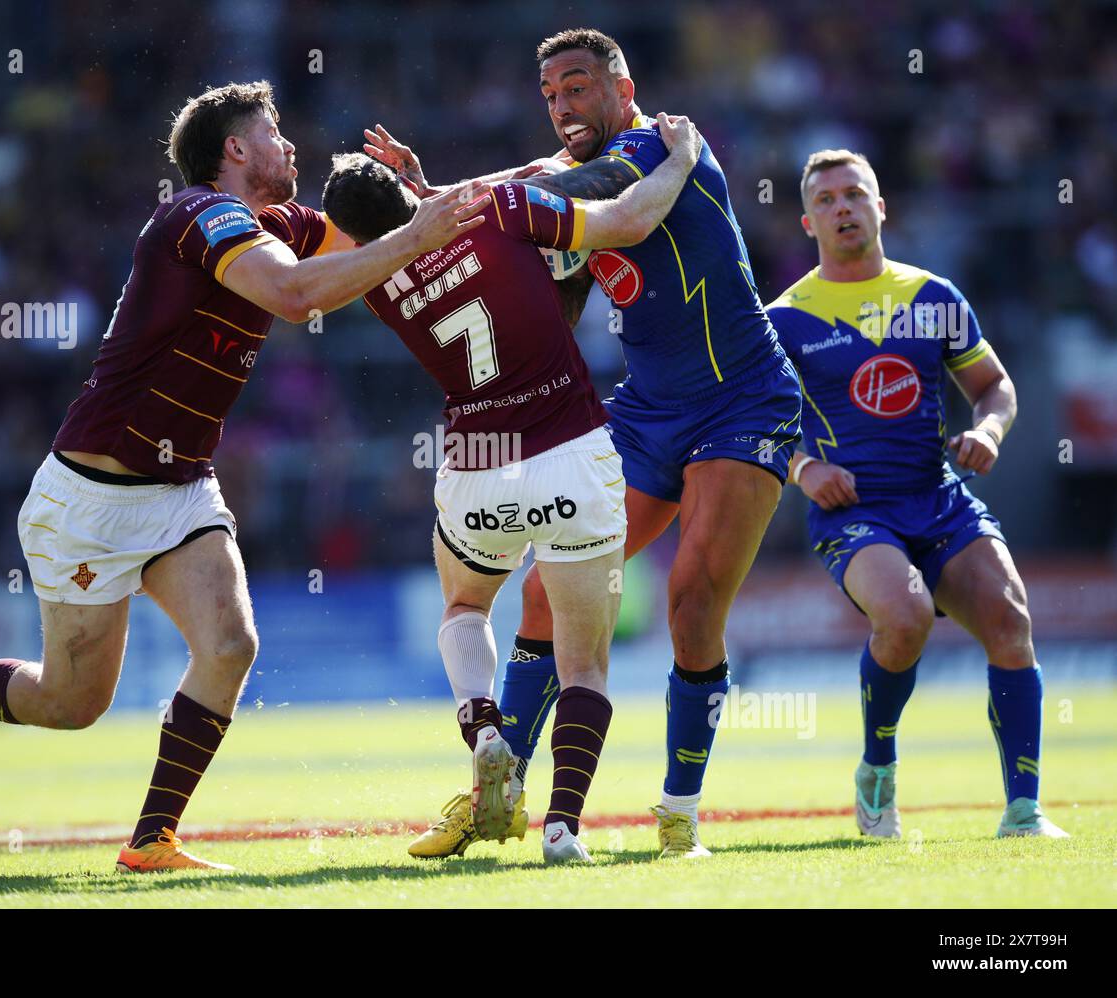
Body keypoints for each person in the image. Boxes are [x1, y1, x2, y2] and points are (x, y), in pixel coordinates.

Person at [0, 80, 490, 873]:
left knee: (230, 644)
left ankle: (152, 839)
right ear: (235, 151)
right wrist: (412, 235)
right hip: (92, 497)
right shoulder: (197, 215)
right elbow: (293, 293)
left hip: (181, 491)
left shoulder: (276, 223)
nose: (290, 145)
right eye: (273, 130)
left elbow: (361, 245)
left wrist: (417, 194)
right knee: (71, 704)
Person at [366, 28, 802, 859]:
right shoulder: (571, 185)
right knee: (540, 599)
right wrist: (434, 193)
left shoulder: (652, 146)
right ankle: (501, 793)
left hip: (744, 401)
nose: (564, 105)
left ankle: (678, 812)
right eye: (552, 95)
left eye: (578, 86)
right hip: (648, 410)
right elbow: (535, 188)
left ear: (621, 87)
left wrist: (446, 194)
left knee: (692, 605)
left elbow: (573, 186)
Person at [324, 112, 702, 863]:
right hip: (571, 450)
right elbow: (627, 218)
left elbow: (400, 238)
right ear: (406, 190)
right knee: (584, 662)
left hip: (476, 464)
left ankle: (486, 727)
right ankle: (562, 829)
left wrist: (414, 191)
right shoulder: (499, 212)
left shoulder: (375, 283)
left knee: (465, 607)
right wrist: (682, 158)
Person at [768, 148, 1067, 839]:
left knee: (1010, 621)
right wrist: (805, 469)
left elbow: (993, 386)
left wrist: (989, 430)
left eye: (855, 194)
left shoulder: (934, 298)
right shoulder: (783, 322)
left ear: (881, 207)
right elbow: (754, 423)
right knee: (903, 619)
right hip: (855, 511)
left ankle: (1024, 810)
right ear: (807, 223)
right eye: (827, 200)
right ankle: (877, 770)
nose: (842, 207)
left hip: (938, 497)